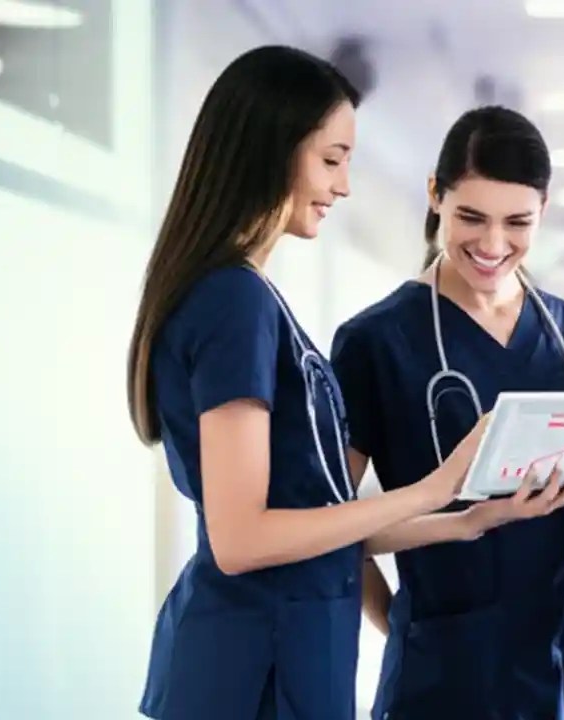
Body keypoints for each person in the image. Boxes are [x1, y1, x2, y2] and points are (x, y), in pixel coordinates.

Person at [126, 45, 484, 720]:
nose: (344, 184)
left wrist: (463, 520)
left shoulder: (253, 296)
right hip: (249, 669)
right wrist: (429, 490)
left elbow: (313, 525)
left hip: (288, 654)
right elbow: (242, 541)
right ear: (270, 149)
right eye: (331, 158)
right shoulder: (233, 301)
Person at [330, 105, 564, 720]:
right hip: (445, 674)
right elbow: (334, 526)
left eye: (517, 222)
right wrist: (407, 624)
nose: (492, 245)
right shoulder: (376, 342)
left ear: (544, 208)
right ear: (435, 195)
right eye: (470, 217)